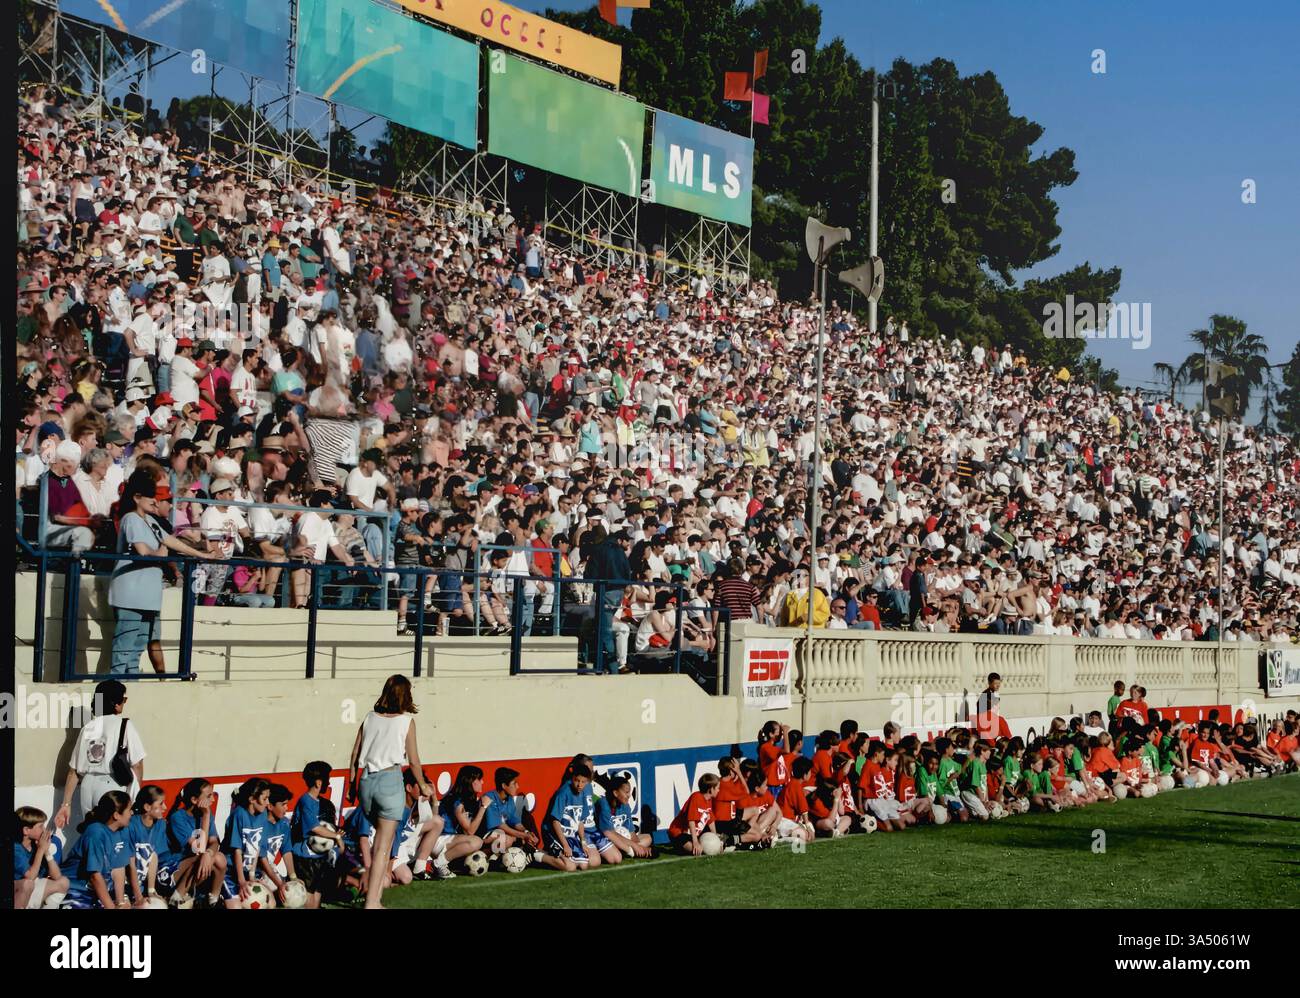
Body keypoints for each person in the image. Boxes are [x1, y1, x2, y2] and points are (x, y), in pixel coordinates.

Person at [108, 469, 212, 675]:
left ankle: (129, 687)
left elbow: (169, 540)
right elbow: (143, 550)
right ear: (137, 497)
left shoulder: (149, 519)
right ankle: (114, 690)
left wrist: (202, 555)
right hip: (132, 593)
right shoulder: (131, 518)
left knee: (136, 648)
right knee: (124, 646)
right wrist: (160, 553)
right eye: (150, 496)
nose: (155, 501)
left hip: (146, 594)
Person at [346, 674, 437, 908]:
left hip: (367, 780)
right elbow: (414, 762)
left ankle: (368, 887)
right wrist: (424, 786)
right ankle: (372, 902)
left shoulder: (369, 717)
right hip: (389, 780)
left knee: (376, 840)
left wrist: (352, 785)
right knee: (382, 847)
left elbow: (355, 754)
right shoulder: (406, 722)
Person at [55, 680, 145, 832]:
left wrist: (66, 804)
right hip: (113, 785)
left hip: (87, 786)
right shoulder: (125, 725)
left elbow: (73, 771)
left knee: (92, 834)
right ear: (115, 703)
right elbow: (137, 764)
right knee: (112, 838)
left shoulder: (87, 728)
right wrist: (135, 794)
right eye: (123, 699)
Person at [59, 790, 134, 909]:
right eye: (129, 810)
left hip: (96, 891)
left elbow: (119, 868)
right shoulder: (95, 833)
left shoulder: (122, 830)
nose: (132, 813)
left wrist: (120, 903)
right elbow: (95, 876)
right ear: (116, 815)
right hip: (74, 888)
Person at [14, 806, 70, 910]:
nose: (44, 830)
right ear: (26, 830)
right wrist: (40, 850)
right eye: (40, 826)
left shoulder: (37, 845)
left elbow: (57, 876)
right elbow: (30, 877)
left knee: (63, 882)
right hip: (18, 891)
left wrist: (46, 851)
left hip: (31, 888)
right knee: (28, 884)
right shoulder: (16, 848)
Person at [667, 772, 720, 855]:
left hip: (693, 834)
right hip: (679, 833)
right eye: (717, 788)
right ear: (711, 789)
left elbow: (710, 821)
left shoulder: (709, 800)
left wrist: (716, 838)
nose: (718, 790)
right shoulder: (696, 797)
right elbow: (691, 820)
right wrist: (695, 842)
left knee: (713, 848)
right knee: (698, 851)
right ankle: (679, 847)